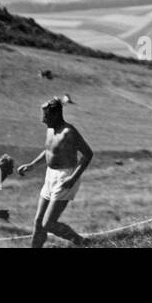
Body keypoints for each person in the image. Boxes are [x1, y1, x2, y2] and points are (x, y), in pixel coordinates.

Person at [17, 95, 93, 248]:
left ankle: (83, 242)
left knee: (48, 224)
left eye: (45, 116)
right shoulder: (50, 130)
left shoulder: (69, 132)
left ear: (56, 114)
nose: (42, 120)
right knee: (38, 222)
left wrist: (72, 178)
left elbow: (88, 154)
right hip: (50, 176)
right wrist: (32, 165)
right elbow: (49, 152)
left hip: (65, 177)